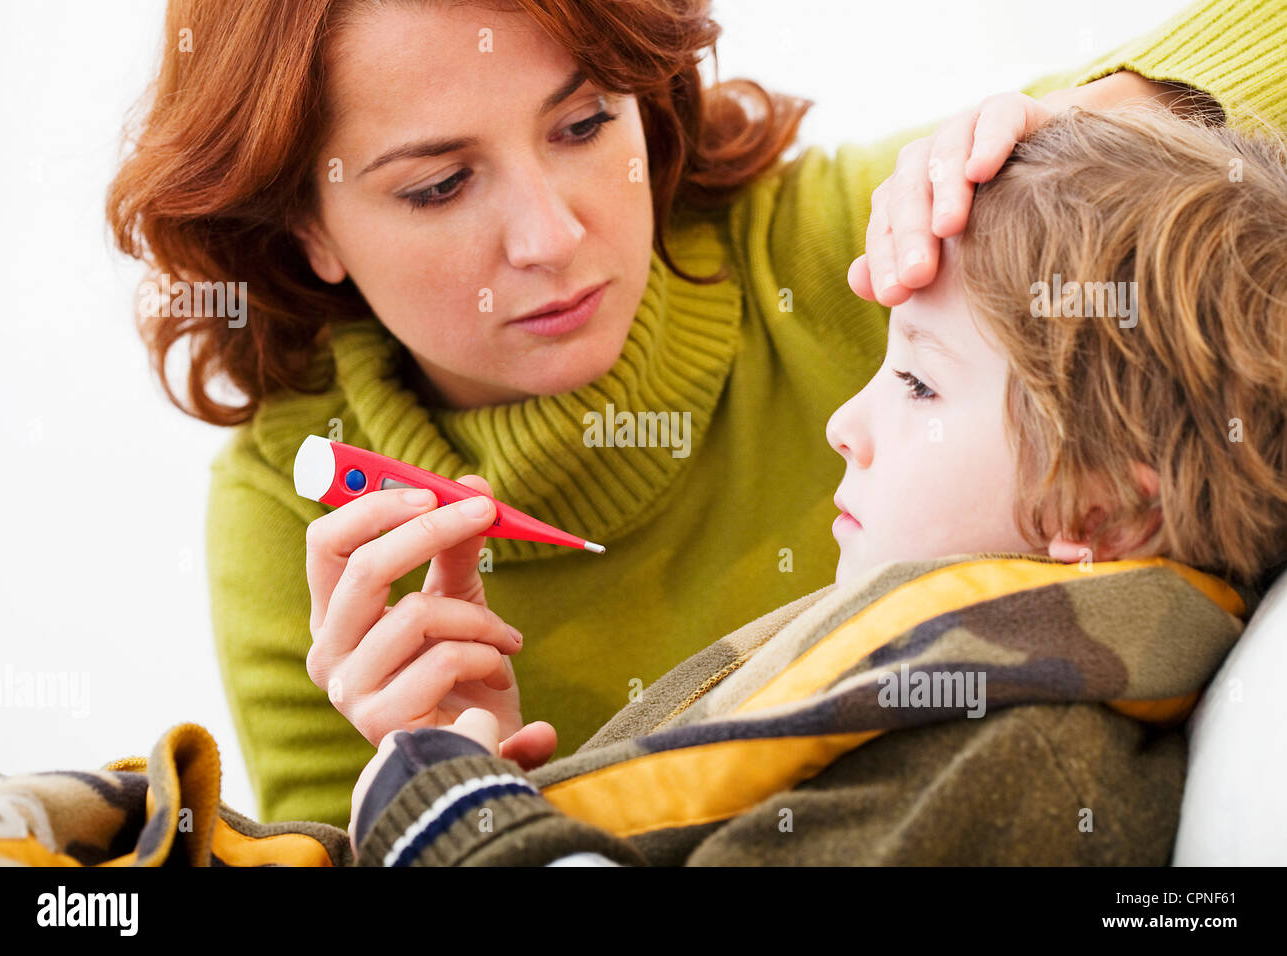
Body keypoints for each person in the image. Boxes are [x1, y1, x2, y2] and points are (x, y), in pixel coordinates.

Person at [104, 0, 1287, 828]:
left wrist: (1129, 116)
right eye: (440, 183)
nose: (553, 235)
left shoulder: (871, 253)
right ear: (303, 225)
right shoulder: (294, 513)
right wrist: (455, 773)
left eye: (583, 125)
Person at [344, 106, 1287, 865]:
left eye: (918, 380)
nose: (844, 422)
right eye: (437, 184)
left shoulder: (1024, 770)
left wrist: (457, 823)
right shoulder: (956, 687)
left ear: (1105, 509)